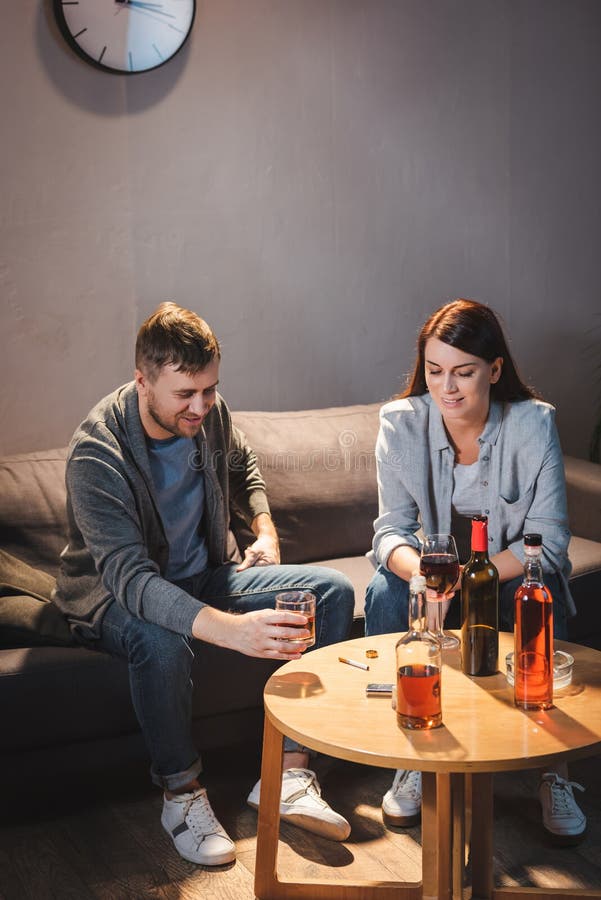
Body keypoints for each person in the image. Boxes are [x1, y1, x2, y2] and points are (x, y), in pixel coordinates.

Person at [54, 301, 355, 866]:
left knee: (330, 591)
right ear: (142, 381)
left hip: (202, 575)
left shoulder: (209, 416)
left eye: (210, 389)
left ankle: (288, 776)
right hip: (112, 596)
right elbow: (132, 580)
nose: (201, 406)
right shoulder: (97, 453)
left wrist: (264, 529)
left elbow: (242, 465)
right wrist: (234, 631)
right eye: (185, 394)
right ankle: (182, 796)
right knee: (161, 639)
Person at [365, 298, 586, 845]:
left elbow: (549, 542)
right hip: (437, 572)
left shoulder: (534, 423)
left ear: (494, 369)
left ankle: (554, 772)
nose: (448, 388)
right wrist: (424, 577)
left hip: (506, 570)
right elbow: (390, 532)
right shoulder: (400, 423)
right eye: (435, 371)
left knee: (538, 592)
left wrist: (469, 578)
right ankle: (412, 757)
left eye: (463, 373)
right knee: (388, 590)